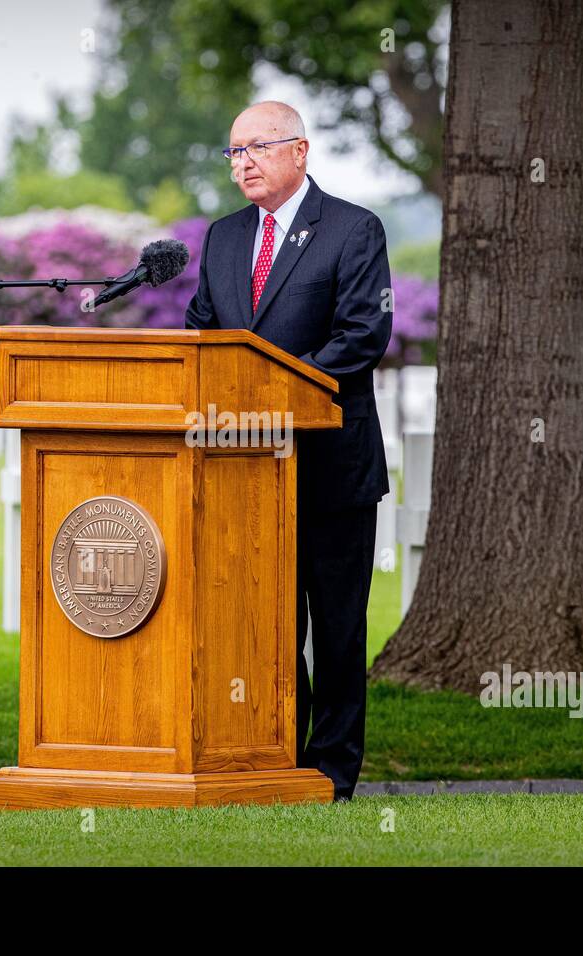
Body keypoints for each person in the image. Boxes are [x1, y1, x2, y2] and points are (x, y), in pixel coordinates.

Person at [184, 100, 392, 801]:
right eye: (233, 151)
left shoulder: (353, 229)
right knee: (267, 627)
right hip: (245, 470)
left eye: (258, 147)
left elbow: (363, 335)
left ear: (299, 151)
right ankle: (278, 759)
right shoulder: (222, 238)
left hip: (331, 470)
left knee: (335, 629)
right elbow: (204, 335)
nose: (242, 162)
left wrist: (274, 390)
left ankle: (333, 769)